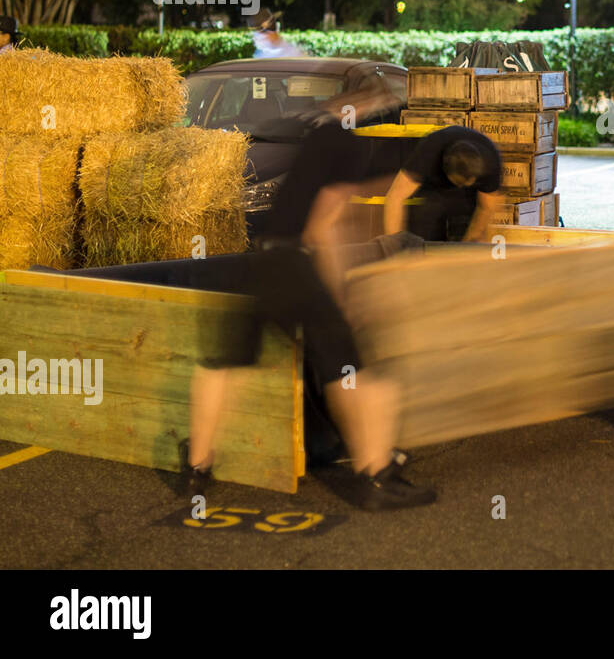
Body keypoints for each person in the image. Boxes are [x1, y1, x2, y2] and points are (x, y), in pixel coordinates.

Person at [185, 93, 435, 511]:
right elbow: (323, 227)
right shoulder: (348, 146)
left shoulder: (312, 135)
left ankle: (197, 466)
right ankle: (377, 475)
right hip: (293, 265)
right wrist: (340, 296)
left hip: (259, 259)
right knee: (350, 368)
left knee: (226, 361)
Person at [383, 126, 506, 243]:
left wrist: (470, 243)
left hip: (469, 196)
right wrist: (394, 244)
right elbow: (395, 197)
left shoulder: (490, 161)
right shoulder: (429, 151)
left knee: (465, 232)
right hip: (432, 188)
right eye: (458, 182)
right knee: (424, 228)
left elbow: (486, 208)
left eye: (465, 183)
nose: (460, 186)